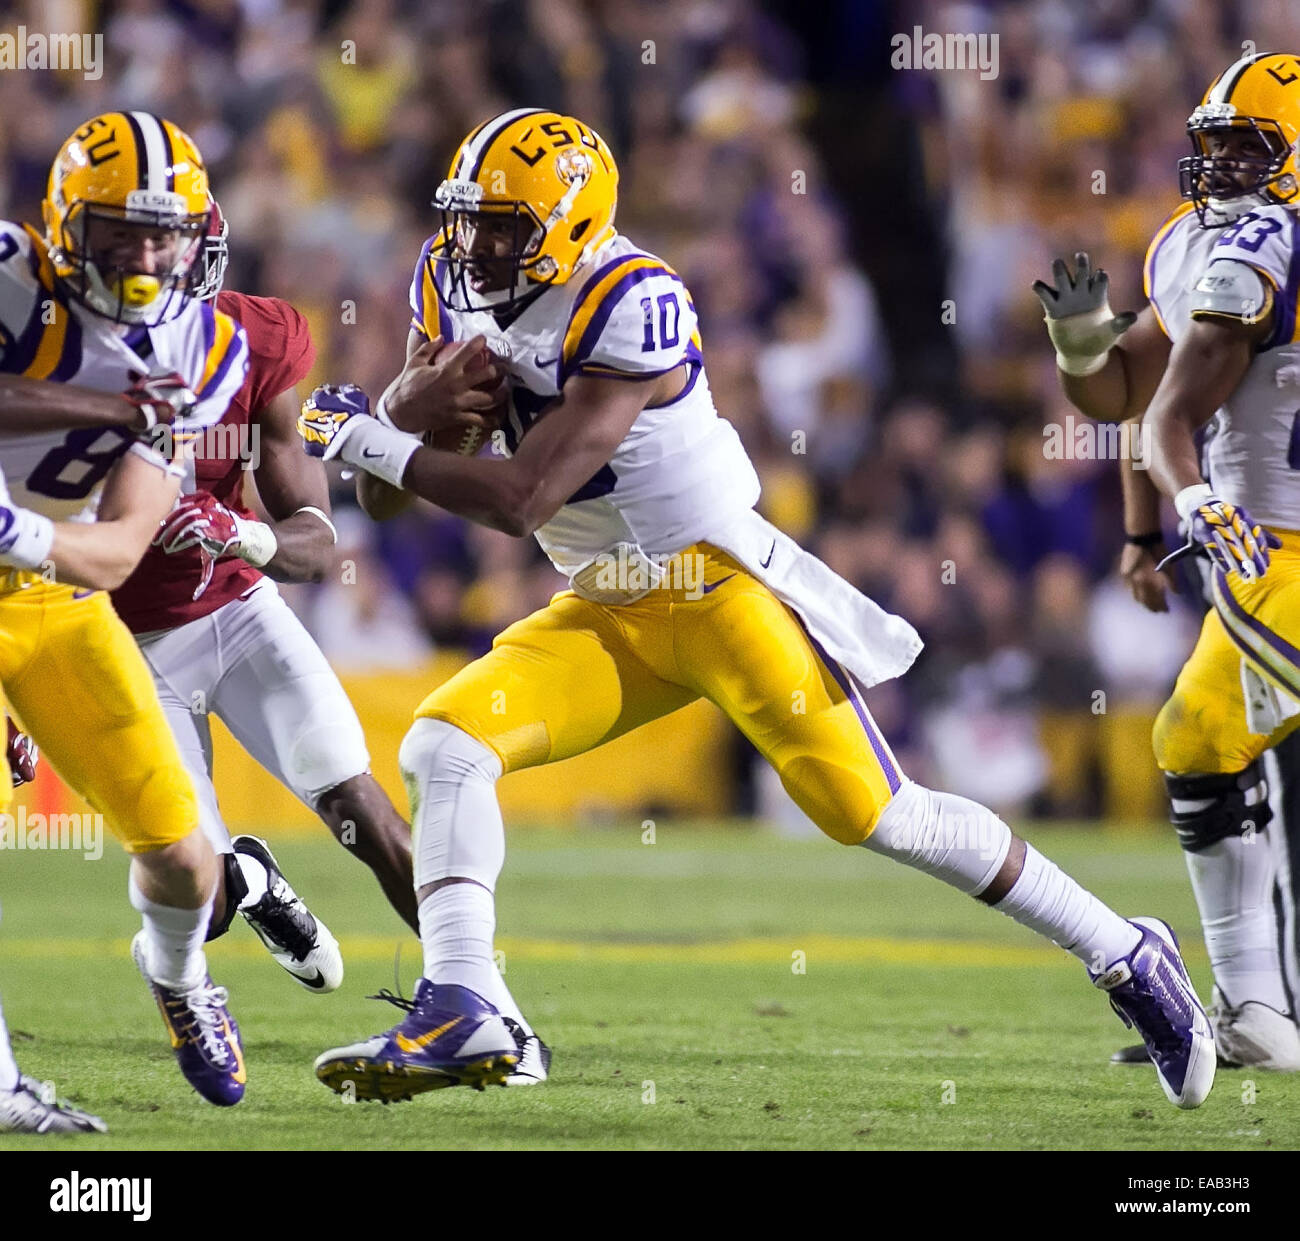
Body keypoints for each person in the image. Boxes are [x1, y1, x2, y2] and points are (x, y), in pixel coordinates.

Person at [302, 108, 1212, 1108]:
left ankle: (1125, 950)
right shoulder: (447, 274)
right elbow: (390, 489)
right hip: (606, 602)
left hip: (711, 582)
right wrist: (400, 415)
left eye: (503, 226)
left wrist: (372, 436)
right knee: (444, 746)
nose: (476, 246)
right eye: (468, 220)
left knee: (874, 812)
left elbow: (523, 498)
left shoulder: (628, 293)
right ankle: (473, 1005)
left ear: (567, 225)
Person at [1035, 51, 1300, 1070]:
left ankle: (1259, 1012)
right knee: (1206, 743)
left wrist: (1172, 506)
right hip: (1256, 546)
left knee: (1202, 738)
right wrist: (1076, 345)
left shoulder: (1260, 252)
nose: (1222, 166)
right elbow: (1132, 403)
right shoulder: (1200, 248)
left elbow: (1167, 417)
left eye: (1249, 148)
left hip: (1269, 545)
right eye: (1216, 145)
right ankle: (1260, 1014)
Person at [0, 111, 249, 1106]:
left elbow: (115, 550)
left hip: (53, 591)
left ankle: (179, 972)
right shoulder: (11, 275)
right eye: (120, 233)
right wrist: (100, 406)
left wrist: (17, 535)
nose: (145, 258)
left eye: (164, 234)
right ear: (69, 227)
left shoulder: (202, 345)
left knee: (188, 861)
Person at [108, 199, 420, 992]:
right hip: (126, 646)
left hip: (237, 611)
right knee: (199, 901)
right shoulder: (76, 360)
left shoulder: (254, 341)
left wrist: (248, 537)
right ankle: (243, 879)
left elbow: (317, 540)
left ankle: (482, 998)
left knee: (368, 813)